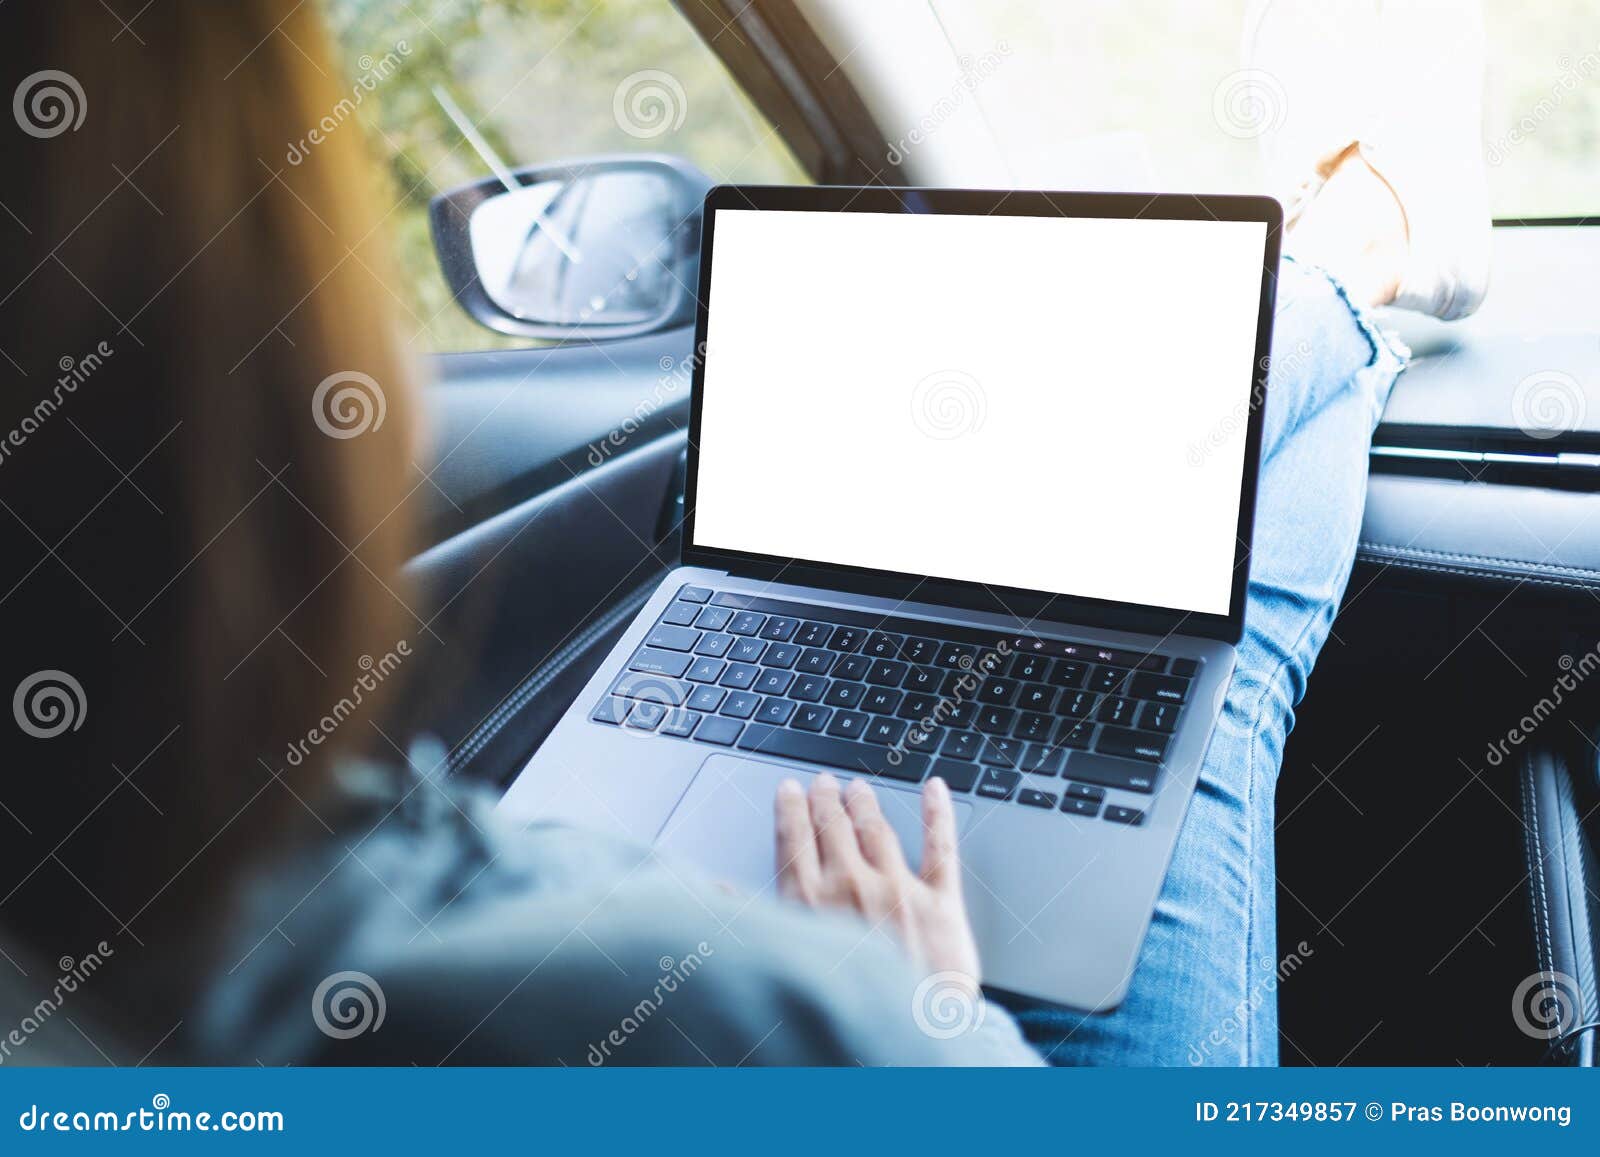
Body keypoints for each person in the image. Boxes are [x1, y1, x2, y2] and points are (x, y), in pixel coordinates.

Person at [0, 1, 1485, 1065]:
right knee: (1225, 673)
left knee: (1229, 610)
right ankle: (1352, 266)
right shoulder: (775, 1030)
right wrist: (931, 1016)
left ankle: (1345, 276)